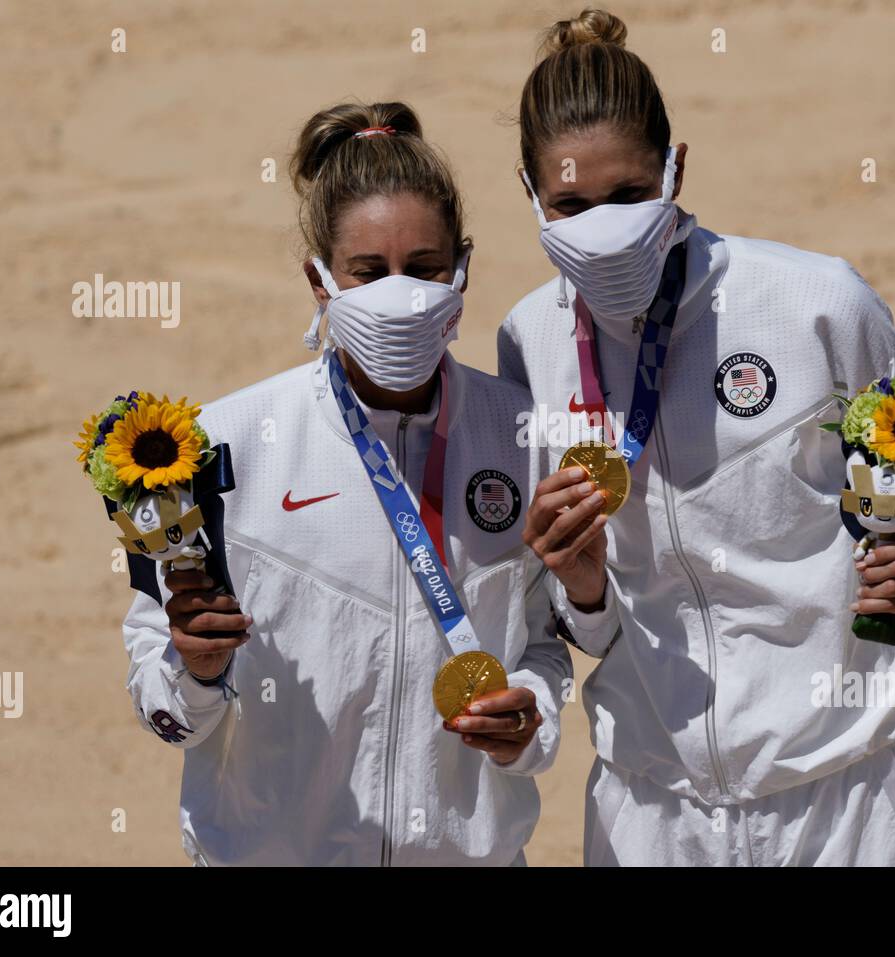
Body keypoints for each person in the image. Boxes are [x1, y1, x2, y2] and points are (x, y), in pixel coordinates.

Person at [498, 9, 895, 866]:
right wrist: (583, 585)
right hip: (652, 804)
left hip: (851, 786)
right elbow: (578, 623)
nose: (601, 226)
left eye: (629, 195)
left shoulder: (818, 302)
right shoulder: (528, 343)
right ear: (528, 194)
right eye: (570, 205)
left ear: (677, 168)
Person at [120, 101, 570, 866]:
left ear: (463, 269)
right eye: (369, 272)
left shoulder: (524, 435)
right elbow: (162, 699)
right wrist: (192, 672)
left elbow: (544, 643)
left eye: (424, 269)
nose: (400, 295)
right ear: (320, 280)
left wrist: (533, 721)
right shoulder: (222, 447)